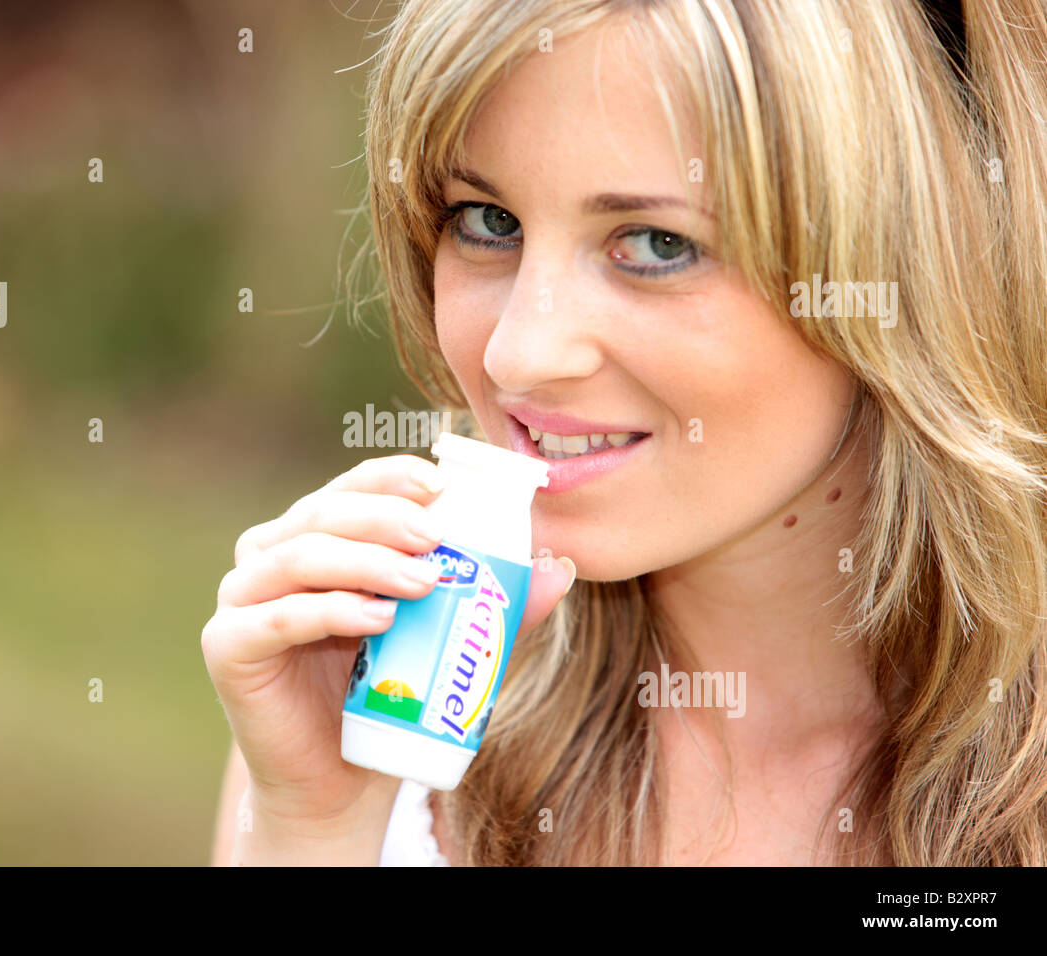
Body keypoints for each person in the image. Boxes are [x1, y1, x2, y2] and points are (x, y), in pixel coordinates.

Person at [203, 0, 1047, 865]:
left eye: (653, 243)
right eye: (487, 223)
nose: (518, 354)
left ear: (912, 266)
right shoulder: (383, 704)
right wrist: (314, 826)